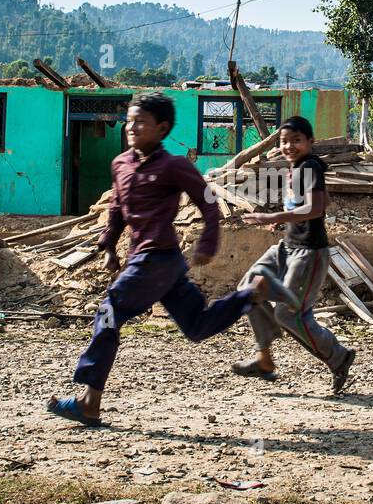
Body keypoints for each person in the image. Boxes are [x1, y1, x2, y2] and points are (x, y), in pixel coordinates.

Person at [47, 92, 284, 426]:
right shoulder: (121, 164)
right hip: (157, 264)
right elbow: (116, 208)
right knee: (197, 326)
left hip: (156, 258)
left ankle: (89, 402)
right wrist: (109, 246)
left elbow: (208, 200)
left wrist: (209, 239)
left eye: (140, 122)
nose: (132, 127)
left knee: (110, 312)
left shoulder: (174, 166)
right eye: (129, 121)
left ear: (162, 128)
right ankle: (251, 293)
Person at [232, 116, 356, 394]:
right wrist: (287, 221)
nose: (289, 146)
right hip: (287, 248)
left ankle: (339, 357)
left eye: (296, 140)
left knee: (289, 315)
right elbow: (323, 201)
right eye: (284, 141)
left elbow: (315, 210)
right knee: (248, 289)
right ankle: (264, 357)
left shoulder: (309, 166)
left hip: (308, 254)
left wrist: (272, 216)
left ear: (310, 142)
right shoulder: (299, 168)